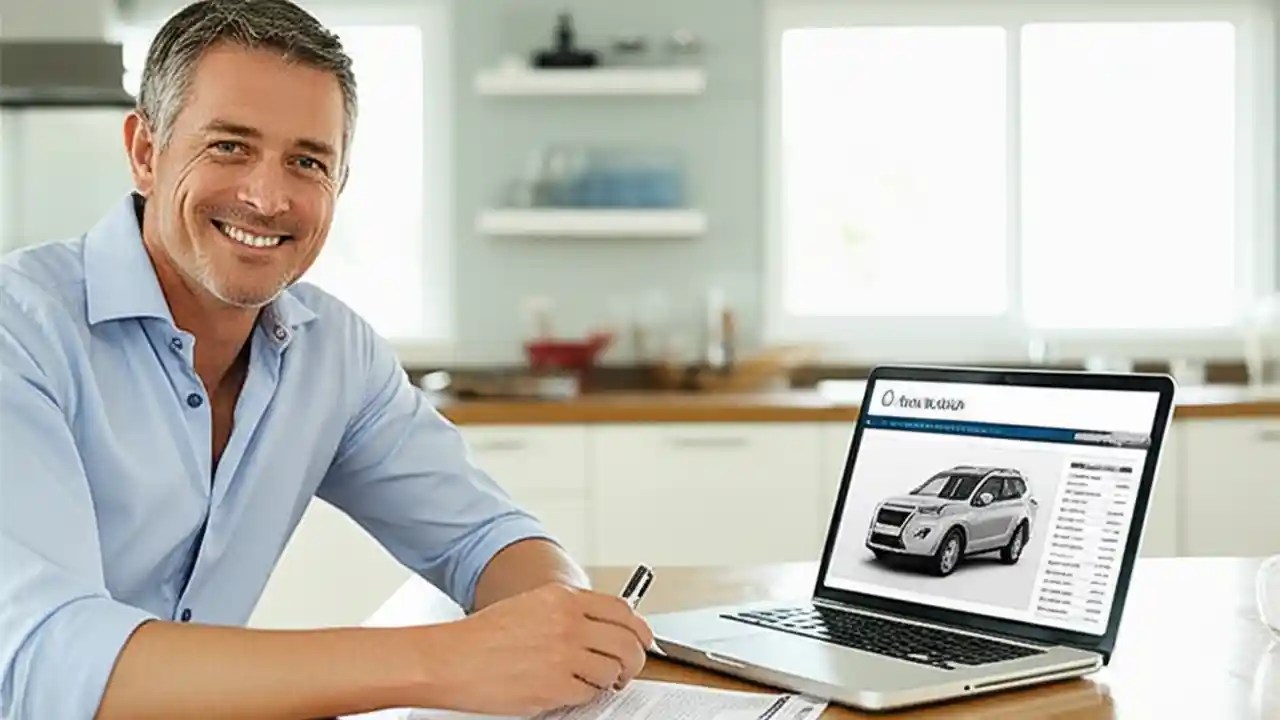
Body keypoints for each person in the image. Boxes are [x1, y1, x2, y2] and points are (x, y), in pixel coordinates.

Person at [0, 1, 652, 717]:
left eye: (307, 161)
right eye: (229, 146)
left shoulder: (333, 354)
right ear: (146, 153)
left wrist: (563, 622)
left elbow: (483, 535)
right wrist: (445, 660)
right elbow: (45, 662)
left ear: (337, 185)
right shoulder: (20, 331)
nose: (266, 196)